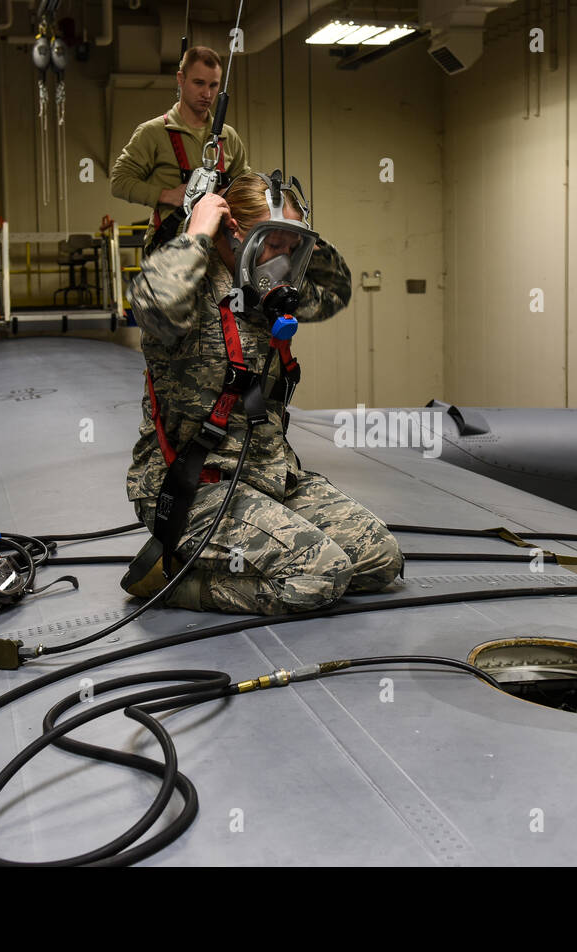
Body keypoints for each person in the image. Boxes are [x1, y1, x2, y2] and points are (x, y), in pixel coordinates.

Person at [121, 171, 403, 614]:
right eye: (273, 246)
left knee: (380, 560)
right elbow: (154, 307)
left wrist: (293, 228)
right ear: (232, 233)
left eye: (292, 251)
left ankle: (239, 561)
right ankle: (171, 582)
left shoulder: (265, 293)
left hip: (268, 474)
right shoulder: (187, 291)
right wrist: (196, 230)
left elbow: (335, 291)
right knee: (321, 574)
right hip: (197, 486)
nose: (283, 263)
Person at [110, 45, 249, 251]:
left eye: (213, 85)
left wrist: (227, 195)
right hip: (169, 247)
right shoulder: (153, 133)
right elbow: (120, 182)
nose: (207, 93)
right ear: (181, 79)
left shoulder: (228, 137)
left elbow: (245, 186)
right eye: (199, 83)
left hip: (218, 249)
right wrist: (167, 195)